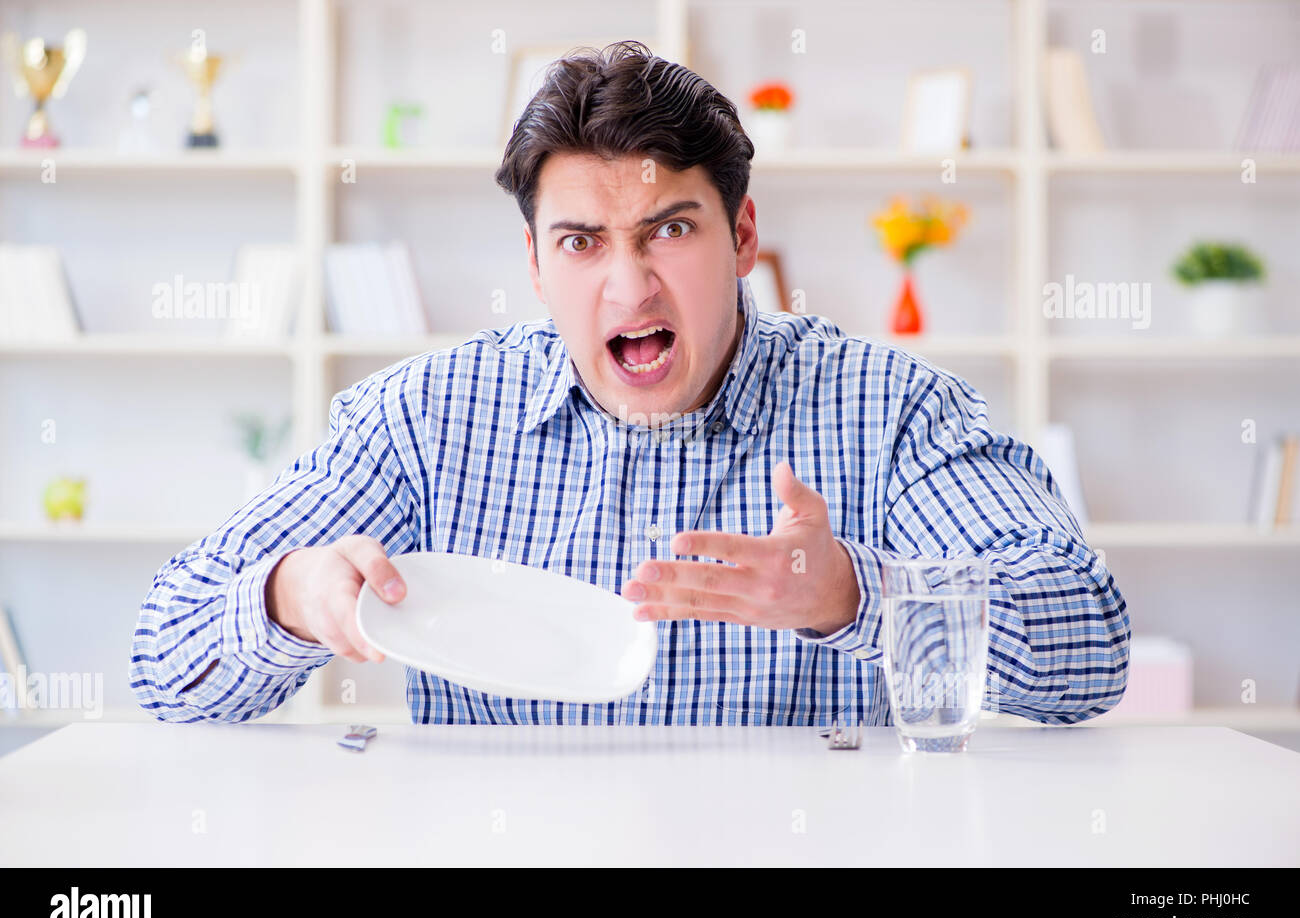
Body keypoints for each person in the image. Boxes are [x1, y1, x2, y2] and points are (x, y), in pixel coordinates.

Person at [131, 40, 1129, 726]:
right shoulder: (425, 420)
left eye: (670, 230)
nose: (628, 283)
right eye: (581, 242)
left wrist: (856, 593)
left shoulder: (889, 410)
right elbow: (162, 658)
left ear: (742, 237)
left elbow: (1090, 648)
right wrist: (288, 597)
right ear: (534, 264)